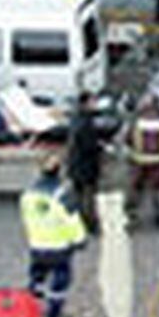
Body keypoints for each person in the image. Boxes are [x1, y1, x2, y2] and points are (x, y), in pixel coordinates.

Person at [20, 153, 88, 317]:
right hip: (59, 247)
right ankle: (53, 316)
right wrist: (80, 239)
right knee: (60, 283)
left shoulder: (28, 195)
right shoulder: (62, 195)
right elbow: (72, 220)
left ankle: (31, 310)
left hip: (37, 245)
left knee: (37, 279)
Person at [125, 96, 159, 230]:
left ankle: (130, 216)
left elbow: (128, 138)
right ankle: (158, 218)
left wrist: (131, 155)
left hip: (139, 160)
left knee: (135, 189)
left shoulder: (138, 120)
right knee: (157, 190)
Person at [63, 94, 104, 237]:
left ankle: (79, 223)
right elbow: (89, 145)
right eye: (93, 101)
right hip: (86, 167)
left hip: (75, 165)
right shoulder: (86, 122)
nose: (96, 104)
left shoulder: (76, 119)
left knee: (79, 196)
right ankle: (90, 225)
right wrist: (100, 147)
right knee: (88, 198)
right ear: (86, 103)